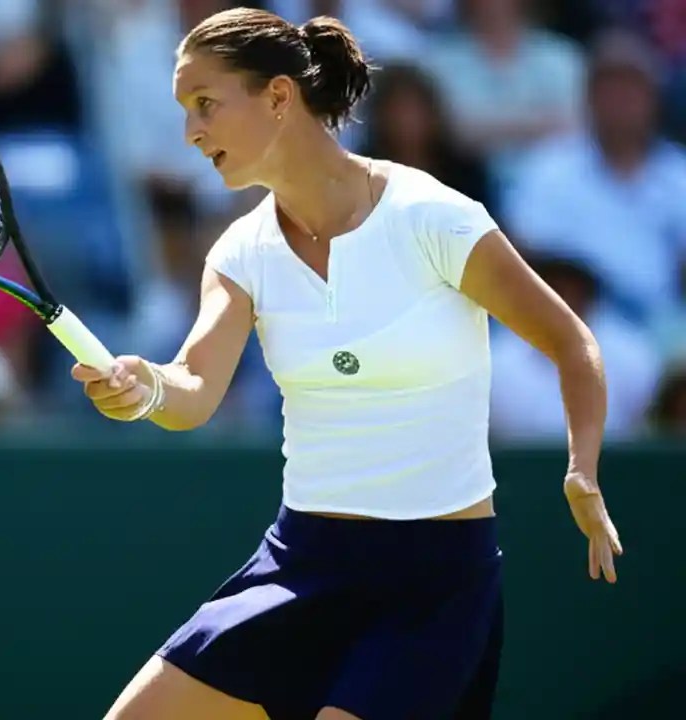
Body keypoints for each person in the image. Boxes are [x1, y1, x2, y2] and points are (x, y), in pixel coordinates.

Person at [71, 9, 622, 720]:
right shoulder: (240, 254)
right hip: (303, 562)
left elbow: (572, 343)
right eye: (185, 110)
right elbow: (195, 390)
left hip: (434, 582)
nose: (190, 132)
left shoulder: (433, 218)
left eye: (205, 105)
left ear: (277, 97)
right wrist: (145, 387)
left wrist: (582, 468)